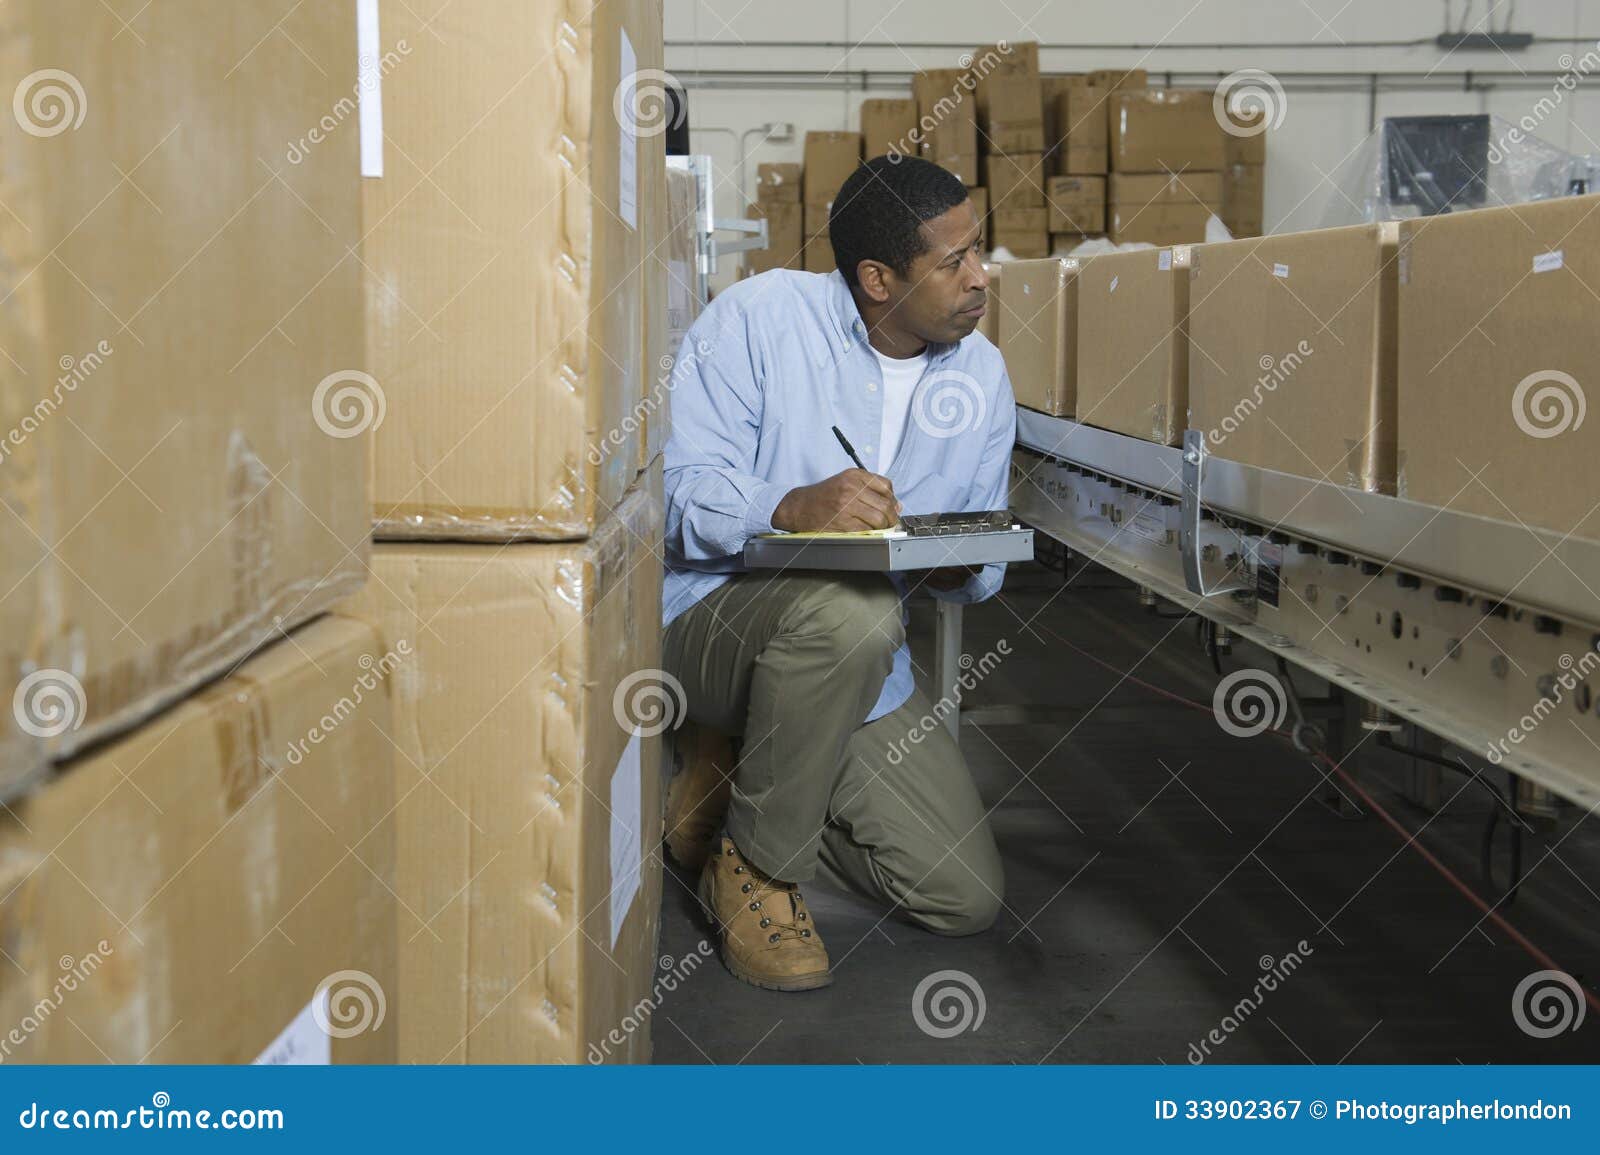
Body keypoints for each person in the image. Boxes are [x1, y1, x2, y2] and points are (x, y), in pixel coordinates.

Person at [660, 155, 1016, 991]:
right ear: (877, 279)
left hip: (856, 655)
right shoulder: (755, 320)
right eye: (954, 261)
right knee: (847, 615)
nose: (981, 275)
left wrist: (957, 567)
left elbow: (976, 556)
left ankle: (727, 789)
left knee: (961, 896)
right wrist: (785, 505)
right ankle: (754, 868)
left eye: (979, 249)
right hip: (710, 621)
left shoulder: (981, 376)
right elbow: (674, 495)